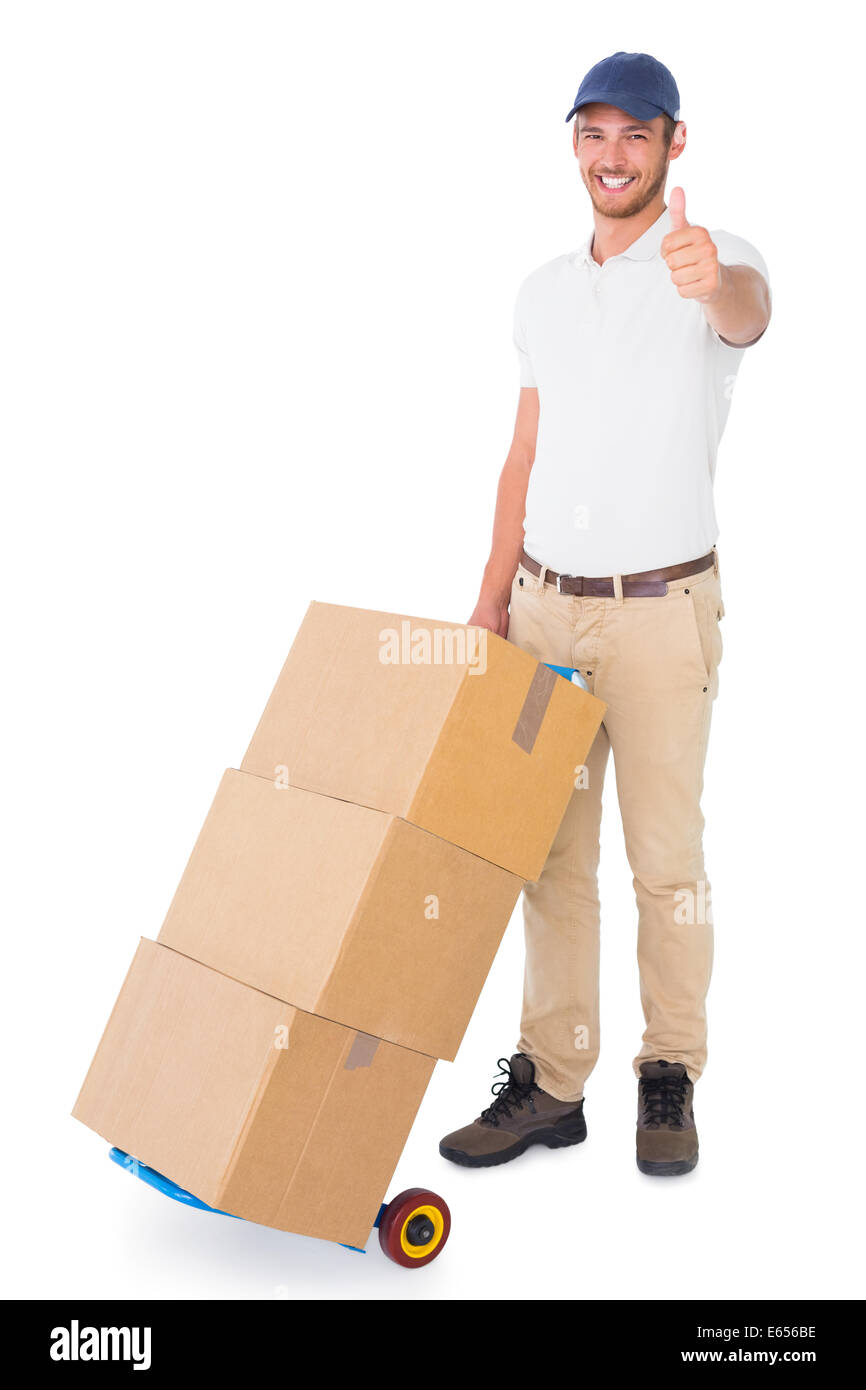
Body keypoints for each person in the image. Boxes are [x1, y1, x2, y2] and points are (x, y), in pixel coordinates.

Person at [439, 51, 771, 1177]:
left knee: (665, 861)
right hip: (543, 614)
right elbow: (523, 450)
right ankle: (553, 1079)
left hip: (656, 617)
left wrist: (709, 276)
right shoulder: (538, 291)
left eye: (636, 135)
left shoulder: (709, 264)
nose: (612, 155)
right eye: (594, 133)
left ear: (675, 144)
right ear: (572, 144)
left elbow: (748, 313)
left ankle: (667, 1070)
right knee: (546, 859)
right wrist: (490, 597)